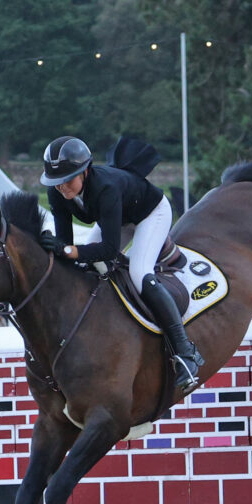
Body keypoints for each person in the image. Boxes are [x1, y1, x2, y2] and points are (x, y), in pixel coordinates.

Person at [40, 135, 203, 394]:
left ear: (85, 171)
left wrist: (68, 251)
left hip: (150, 214)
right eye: (56, 182)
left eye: (67, 180)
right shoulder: (57, 192)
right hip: (117, 218)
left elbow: (108, 250)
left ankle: (186, 352)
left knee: (139, 273)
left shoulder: (104, 187)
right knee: (84, 268)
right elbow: (66, 244)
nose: (62, 187)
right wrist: (56, 250)